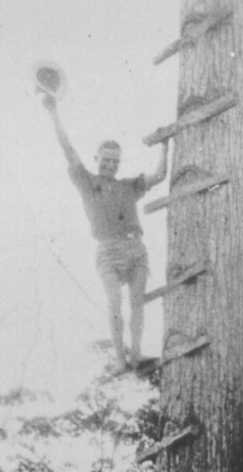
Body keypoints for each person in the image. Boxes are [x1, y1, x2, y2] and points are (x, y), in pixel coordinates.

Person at [42, 93, 168, 373]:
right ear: (97, 159)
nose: (110, 165)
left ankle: (136, 356)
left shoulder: (128, 186)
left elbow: (159, 175)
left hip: (135, 249)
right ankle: (120, 360)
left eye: (115, 161)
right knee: (114, 303)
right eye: (106, 160)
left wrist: (165, 145)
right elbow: (67, 149)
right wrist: (53, 113)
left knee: (137, 303)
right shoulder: (87, 182)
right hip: (108, 251)